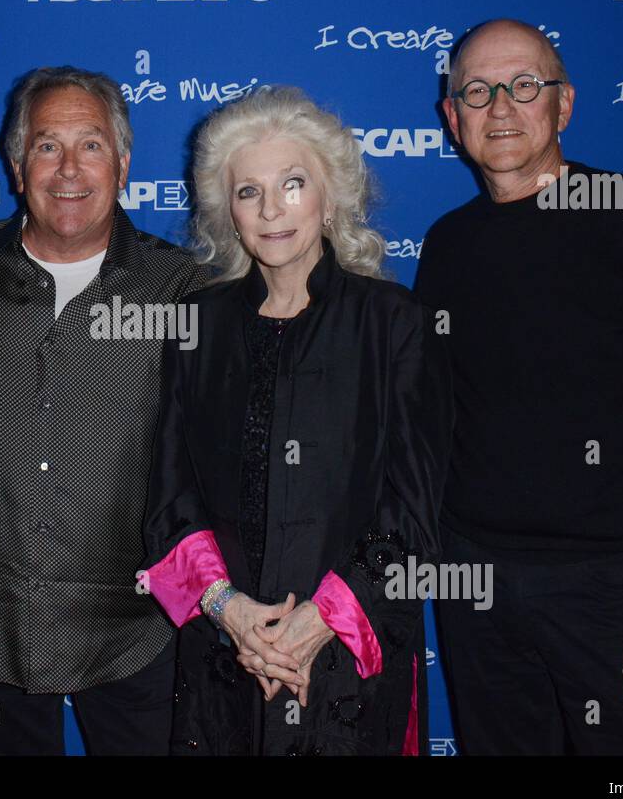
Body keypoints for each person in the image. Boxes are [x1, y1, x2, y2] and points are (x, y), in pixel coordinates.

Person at [416, 19, 623, 755]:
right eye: (477, 91)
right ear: (452, 118)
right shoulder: (447, 245)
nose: (500, 107)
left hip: (619, 587)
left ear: (563, 105)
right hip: (477, 587)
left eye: (524, 86)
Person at [140, 85, 453, 755]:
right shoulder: (196, 327)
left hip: (348, 659)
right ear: (227, 211)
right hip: (227, 657)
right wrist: (233, 614)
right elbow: (170, 499)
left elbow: (416, 513)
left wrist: (317, 622)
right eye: (248, 191)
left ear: (330, 194)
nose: (272, 208)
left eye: (292, 182)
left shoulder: (393, 322)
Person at [0, 66, 207, 755]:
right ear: (16, 164)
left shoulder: (185, 289)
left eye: (90, 145)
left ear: (123, 164)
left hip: (138, 631)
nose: (68, 169)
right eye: (47, 145)